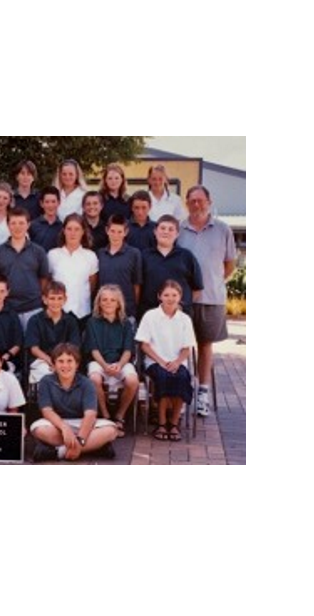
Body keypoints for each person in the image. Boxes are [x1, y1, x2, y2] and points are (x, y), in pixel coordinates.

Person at [176, 185, 239, 417]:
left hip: (211, 299)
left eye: (200, 200)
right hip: (182, 300)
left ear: (209, 202)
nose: (196, 205)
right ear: (186, 203)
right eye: (192, 201)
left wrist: (213, 281)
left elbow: (230, 263)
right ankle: (178, 394)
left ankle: (202, 393)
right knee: (178, 345)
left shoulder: (223, 229)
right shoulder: (179, 229)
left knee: (204, 345)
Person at [29, 343, 118, 462]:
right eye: (60, 361)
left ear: (77, 364)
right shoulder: (46, 381)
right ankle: (95, 448)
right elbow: (47, 411)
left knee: (111, 430)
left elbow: (90, 415)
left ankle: (59, 452)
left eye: (69, 361)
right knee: (38, 429)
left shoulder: (86, 383)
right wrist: (64, 428)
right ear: (54, 364)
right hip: (57, 425)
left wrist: (80, 439)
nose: (65, 365)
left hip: (82, 423)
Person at [136, 280, 197, 442]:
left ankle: (174, 423)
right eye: (166, 295)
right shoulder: (150, 316)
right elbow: (144, 345)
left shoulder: (185, 319)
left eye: (174, 295)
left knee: (181, 377)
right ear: (159, 296)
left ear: (180, 297)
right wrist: (162, 362)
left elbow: (187, 348)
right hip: (155, 361)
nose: (170, 298)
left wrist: (177, 362)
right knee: (163, 377)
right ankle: (162, 423)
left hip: (177, 361)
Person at [84, 285, 139, 438]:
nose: (108, 303)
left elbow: (128, 350)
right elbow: (93, 349)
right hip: (99, 361)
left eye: (112, 300)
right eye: (104, 300)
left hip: (120, 361)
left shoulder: (126, 323)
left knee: (133, 381)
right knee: (94, 378)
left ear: (118, 303)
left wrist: (119, 365)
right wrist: (105, 366)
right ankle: (106, 415)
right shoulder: (92, 322)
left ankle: (120, 416)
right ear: (99, 302)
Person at [0, 207, 51, 330]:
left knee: (31, 346)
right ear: (8, 225)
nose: (17, 227)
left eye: (21, 223)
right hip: (6, 308)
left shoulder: (39, 252)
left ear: (28, 225)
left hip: (33, 308)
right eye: (13, 223)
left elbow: (44, 279)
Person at [140, 215, 202, 318]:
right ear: (155, 232)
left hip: (180, 315)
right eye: (162, 228)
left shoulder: (186, 256)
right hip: (150, 315)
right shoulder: (144, 256)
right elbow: (137, 286)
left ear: (177, 234)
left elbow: (197, 288)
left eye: (171, 229)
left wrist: (182, 305)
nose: (166, 232)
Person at [25, 281, 81, 385]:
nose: (56, 302)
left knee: (69, 374)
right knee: (48, 375)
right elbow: (34, 348)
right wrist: (50, 361)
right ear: (45, 299)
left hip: (65, 359)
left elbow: (74, 347)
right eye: (52, 298)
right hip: (42, 360)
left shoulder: (71, 321)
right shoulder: (35, 320)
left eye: (59, 298)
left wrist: (61, 362)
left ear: (65, 299)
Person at [47, 214, 99, 324]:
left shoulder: (90, 256)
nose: (73, 233)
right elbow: (48, 281)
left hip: (82, 312)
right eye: (69, 229)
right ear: (64, 231)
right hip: (58, 311)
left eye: (77, 229)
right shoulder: (53, 255)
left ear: (83, 231)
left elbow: (92, 284)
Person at [96, 214, 143, 319]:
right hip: (104, 308)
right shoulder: (100, 253)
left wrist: (134, 307)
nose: (115, 235)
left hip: (126, 308)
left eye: (119, 232)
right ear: (107, 230)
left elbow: (136, 284)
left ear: (126, 232)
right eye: (112, 231)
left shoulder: (134, 253)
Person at [29, 186, 63, 251]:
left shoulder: (62, 226)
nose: (50, 205)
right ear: (41, 204)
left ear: (59, 203)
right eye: (47, 202)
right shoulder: (33, 225)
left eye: (53, 201)